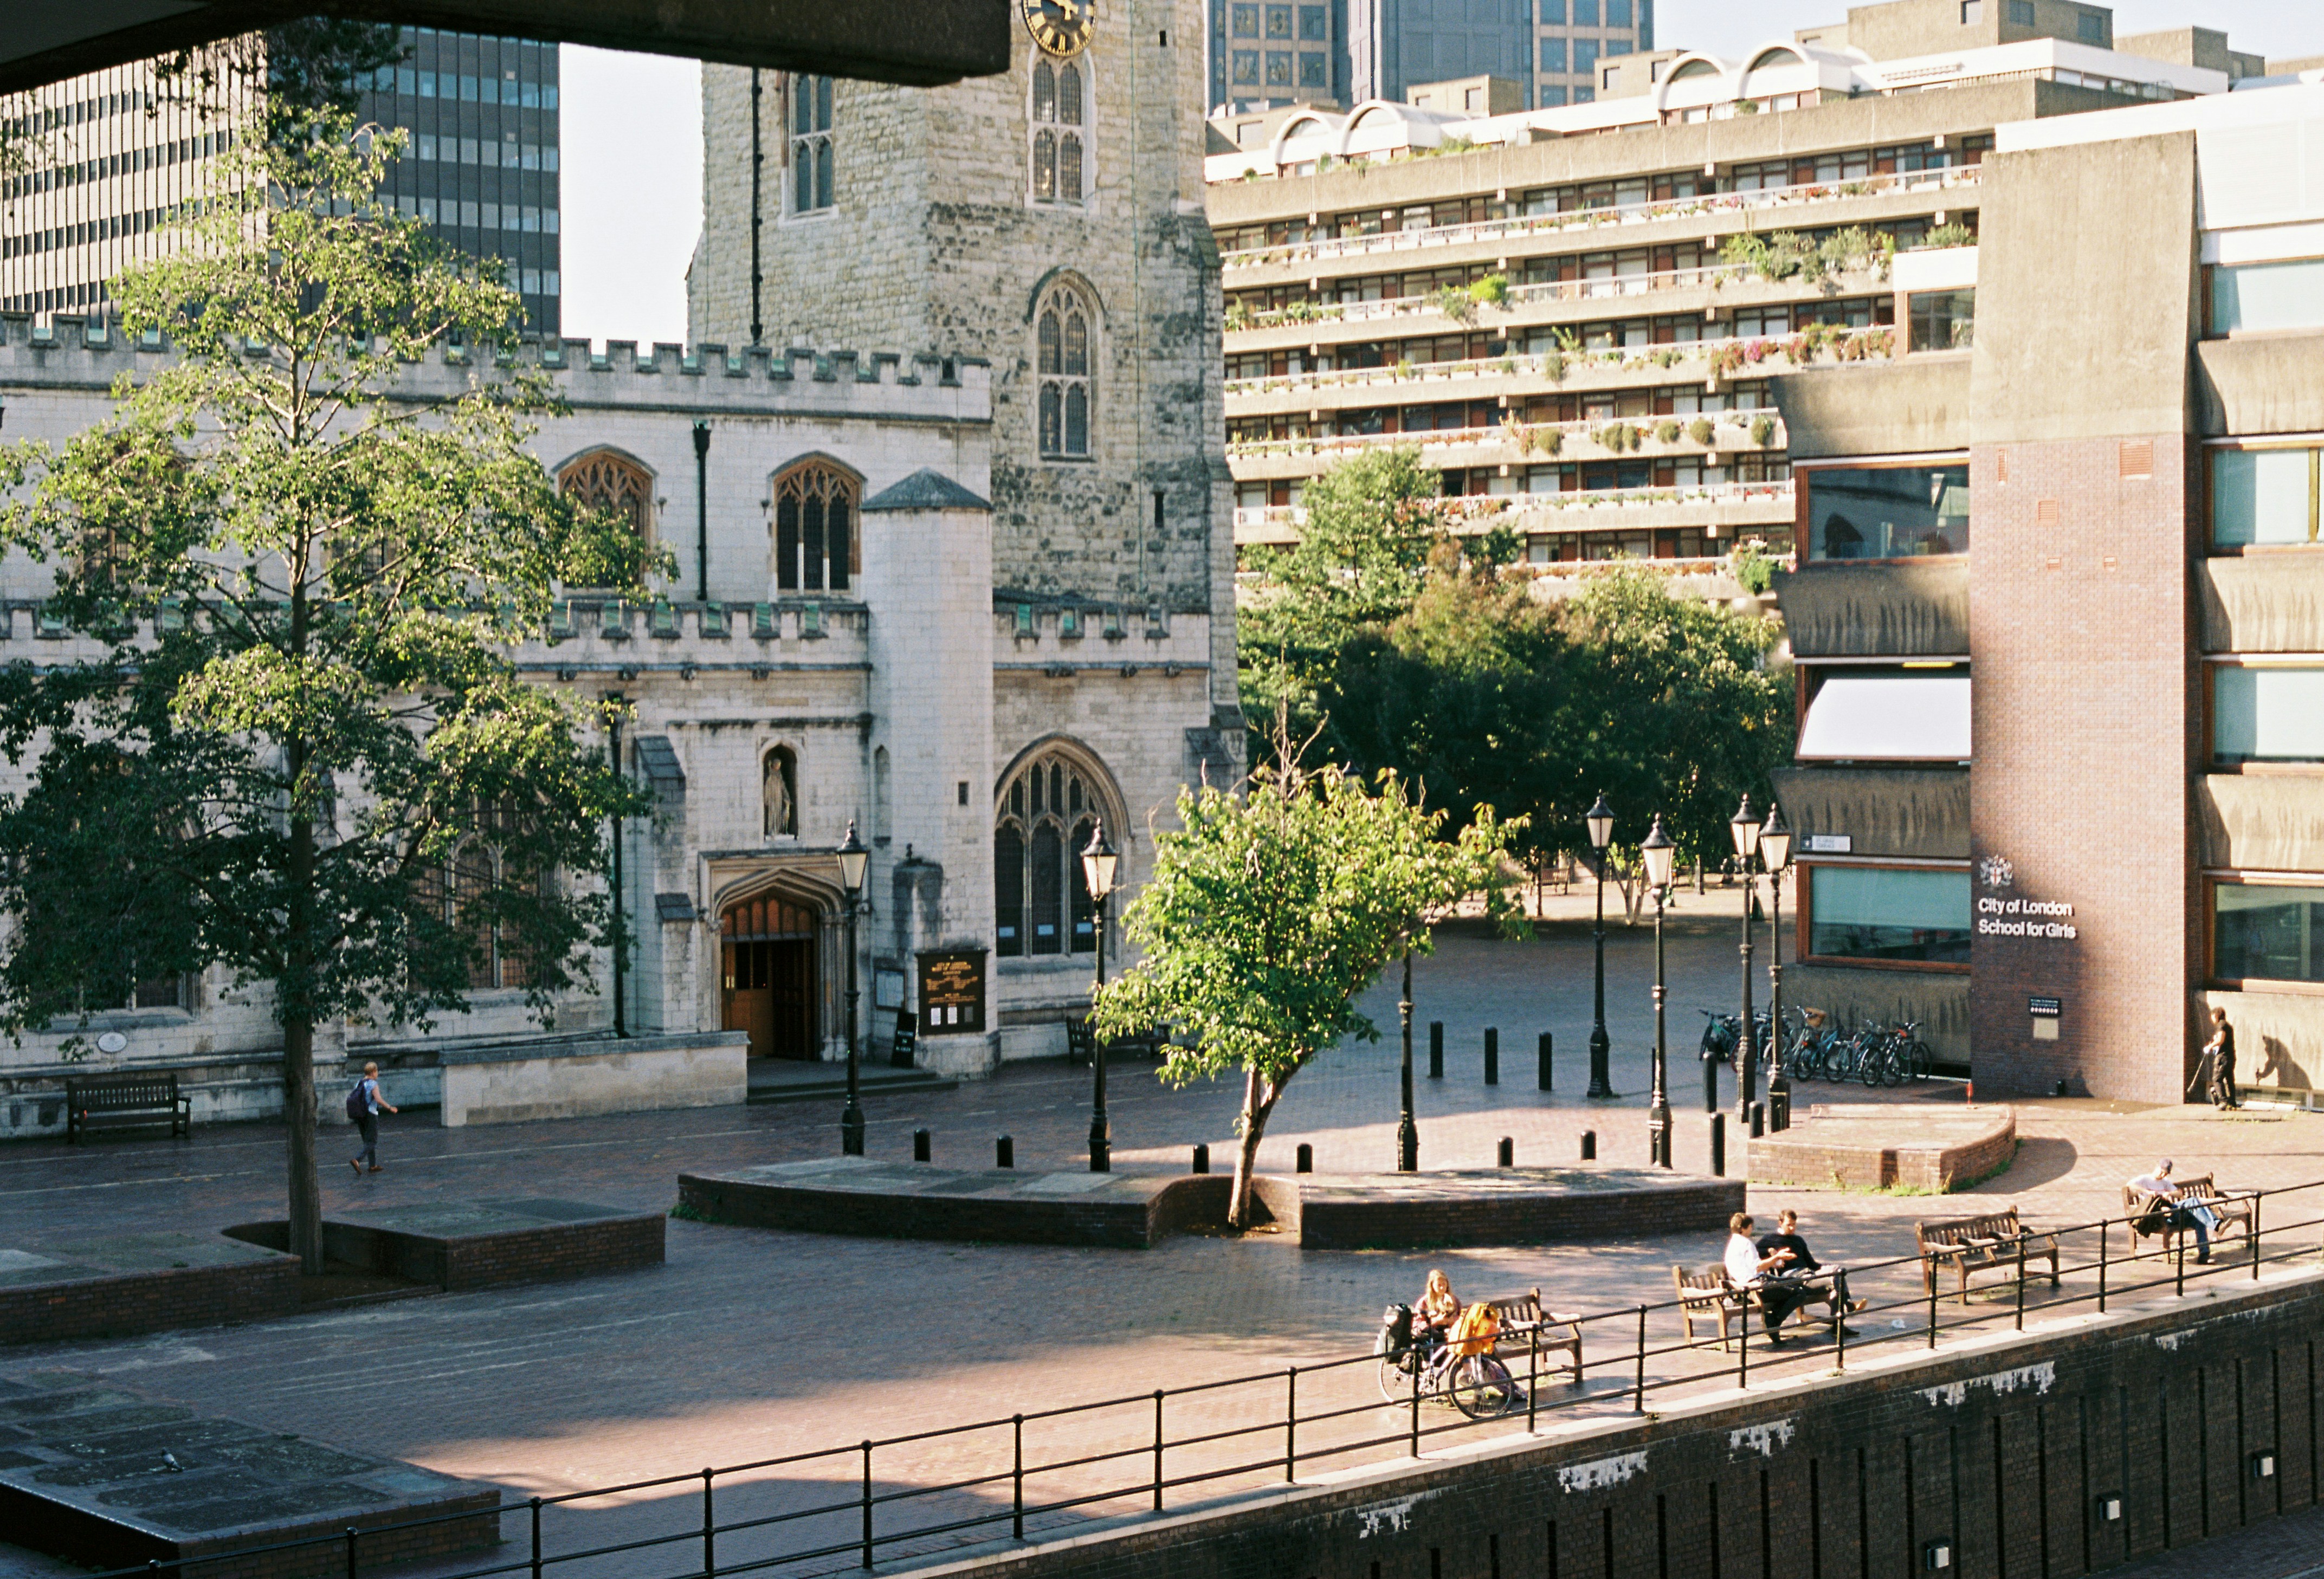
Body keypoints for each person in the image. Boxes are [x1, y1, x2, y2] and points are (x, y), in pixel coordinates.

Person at [1754, 1209, 1866, 1326]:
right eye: (1789, 1225)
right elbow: (1755, 1251)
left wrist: (1827, 1269)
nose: (1792, 1228)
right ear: (1780, 1223)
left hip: (1808, 1273)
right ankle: (1846, 1309)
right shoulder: (1770, 1239)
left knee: (1838, 1271)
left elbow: (1812, 1264)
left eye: (1794, 1225)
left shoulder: (1799, 1240)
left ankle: (1838, 1322)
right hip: (1793, 1279)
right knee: (1835, 1281)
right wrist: (1770, 1250)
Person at [1725, 1212, 1812, 1345]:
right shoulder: (1746, 1244)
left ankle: (1773, 1320)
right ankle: (1774, 1322)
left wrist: (1773, 1257)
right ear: (1743, 1228)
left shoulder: (1733, 1243)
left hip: (1751, 1282)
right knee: (1799, 1292)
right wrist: (1777, 1257)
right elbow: (1758, 1267)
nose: (1752, 1229)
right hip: (1756, 1285)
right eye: (1750, 1227)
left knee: (1792, 1284)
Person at [2128, 1157, 2216, 1264]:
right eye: (2162, 1173)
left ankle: (2204, 1255)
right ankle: (2215, 1223)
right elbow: (2129, 1185)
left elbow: (2179, 1194)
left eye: (2166, 1174)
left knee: (2199, 1221)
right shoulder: (2145, 1179)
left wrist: (2169, 1194)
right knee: (2193, 1202)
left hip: (2172, 1213)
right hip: (2159, 1216)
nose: (2163, 1176)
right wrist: (2147, 1191)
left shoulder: (2165, 1182)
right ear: (2157, 1167)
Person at [348, 1061, 398, 1175]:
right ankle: (357, 1160)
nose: (378, 1074)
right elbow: (378, 1100)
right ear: (373, 1072)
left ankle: (373, 1165)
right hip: (371, 1114)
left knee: (367, 1140)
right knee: (372, 1141)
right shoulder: (373, 1084)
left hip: (360, 1115)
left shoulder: (359, 1083)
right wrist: (390, 1108)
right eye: (377, 1071)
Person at [2205, 1007, 2239, 1110]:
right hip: (2230, 1057)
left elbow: (2220, 1040)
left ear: (2215, 1015)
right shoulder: (2228, 1026)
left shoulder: (2222, 1025)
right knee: (2229, 1079)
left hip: (2223, 1058)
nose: (2212, 1020)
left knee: (2217, 1079)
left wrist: (2209, 1047)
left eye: (2212, 1017)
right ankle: (2232, 1102)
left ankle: (2223, 1101)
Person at [1415, 1269, 1461, 1338]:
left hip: (1452, 1332)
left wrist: (1450, 1321)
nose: (1442, 1288)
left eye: (1444, 1284)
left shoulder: (1454, 1300)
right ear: (1432, 1285)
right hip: (1434, 1336)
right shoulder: (1424, 1302)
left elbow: (1462, 1317)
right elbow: (1418, 1324)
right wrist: (1436, 1321)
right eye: (1439, 1285)